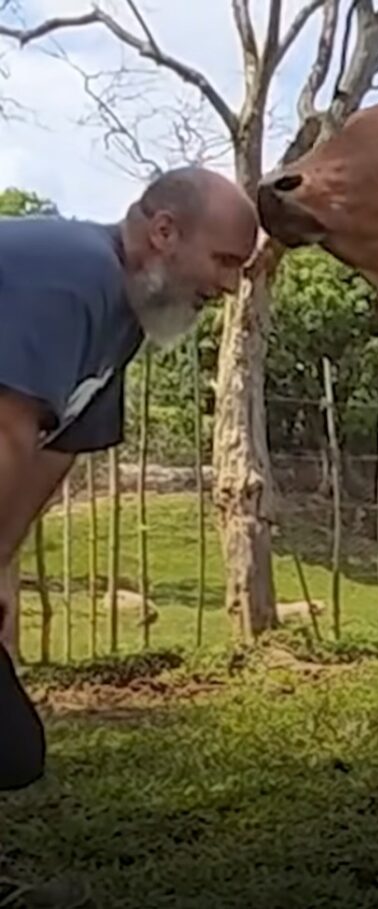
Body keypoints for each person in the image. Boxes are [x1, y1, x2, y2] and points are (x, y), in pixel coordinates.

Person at [0, 167, 258, 790]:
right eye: (224, 262)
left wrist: (1, 563)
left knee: (11, 752)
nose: (227, 287)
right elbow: (8, 433)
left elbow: (58, 447)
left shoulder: (126, 315)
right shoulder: (73, 275)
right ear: (165, 231)